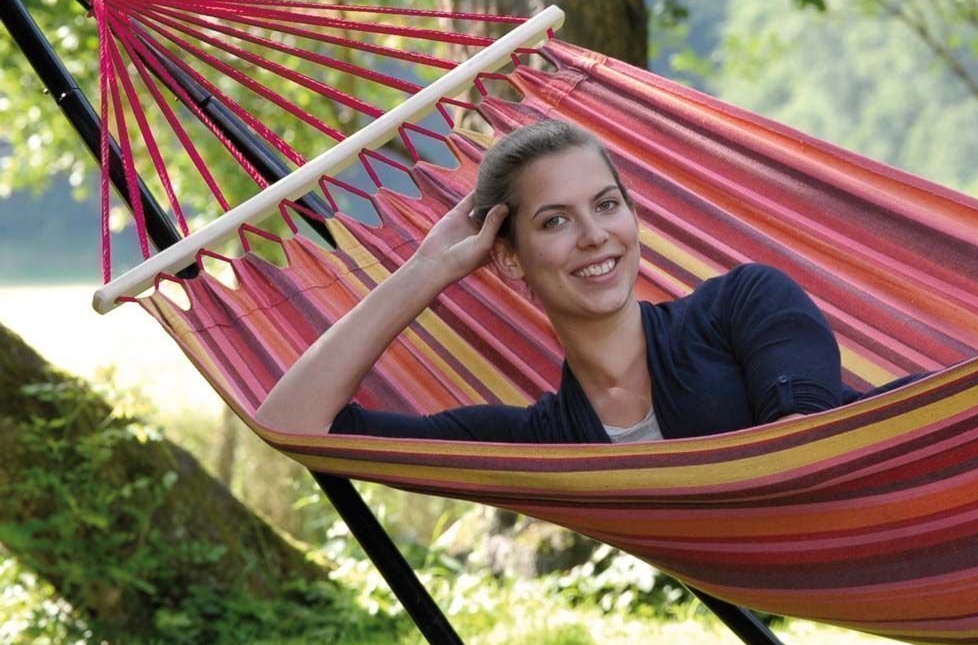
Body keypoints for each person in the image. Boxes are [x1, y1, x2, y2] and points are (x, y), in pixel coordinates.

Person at [256, 120, 890, 442]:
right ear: (508, 257)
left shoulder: (745, 305)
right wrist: (428, 270)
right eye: (556, 220)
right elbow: (291, 423)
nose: (594, 236)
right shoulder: (547, 443)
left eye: (608, 205)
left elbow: (812, 452)